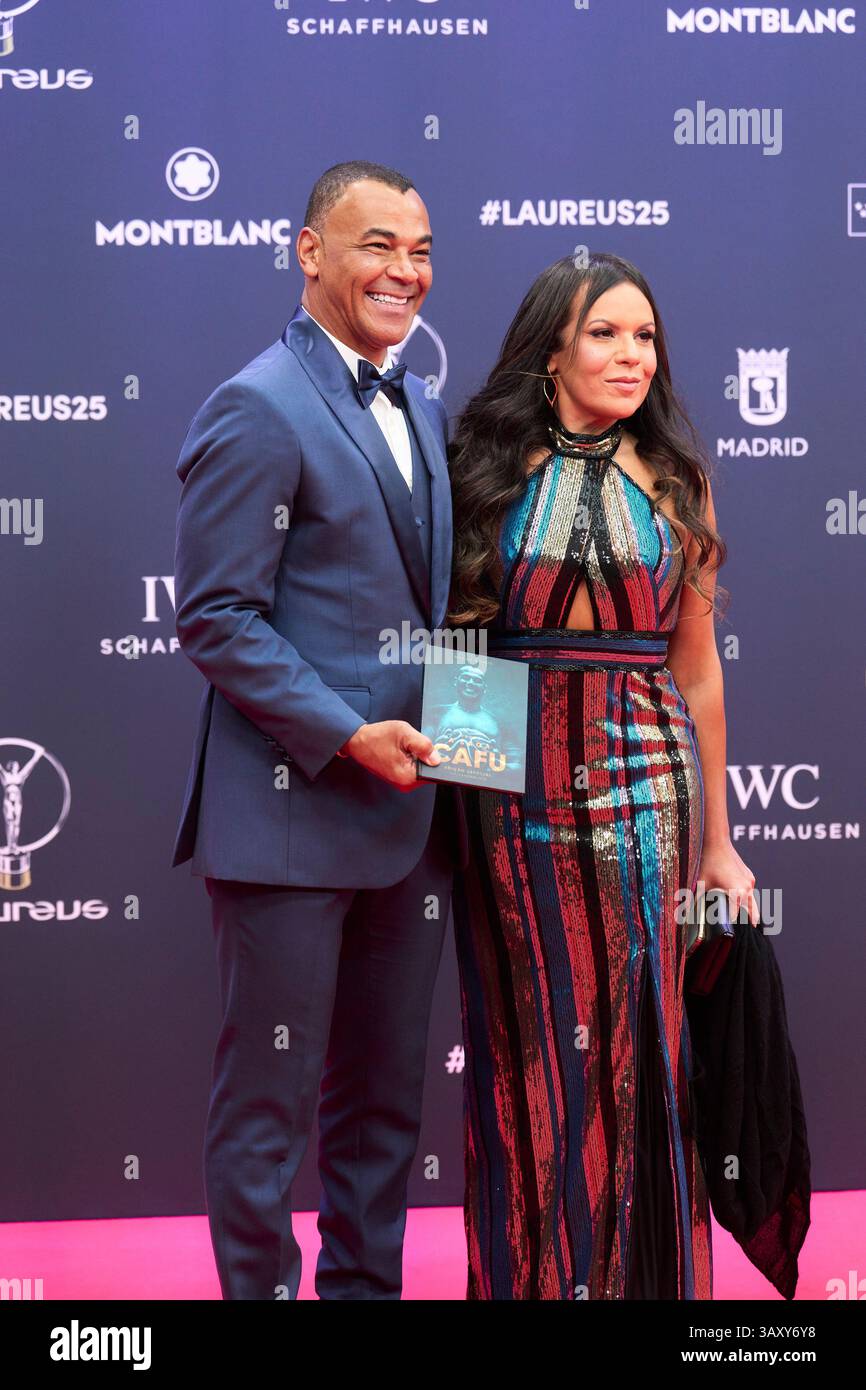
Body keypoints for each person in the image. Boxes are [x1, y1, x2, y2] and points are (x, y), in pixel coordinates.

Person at [170, 160, 468, 1300]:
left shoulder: (418, 401)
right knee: (267, 1111)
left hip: (407, 821)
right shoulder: (257, 402)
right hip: (292, 821)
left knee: (382, 1105)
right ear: (307, 252)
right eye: (376, 244)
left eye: (421, 249)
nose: (405, 270)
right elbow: (215, 616)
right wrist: (347, 734)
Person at [447, 251, 759, 1300]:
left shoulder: (674, 474)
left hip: (645, 783)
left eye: (644, 337)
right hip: (509, 797)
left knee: (639, 1045)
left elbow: (697, 669)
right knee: (524, 1043)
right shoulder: (481, 464)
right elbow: (461, 648)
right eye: (604, 334)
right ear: (549, 351)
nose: (631, 356)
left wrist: (716, 839)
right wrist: (463, 801)